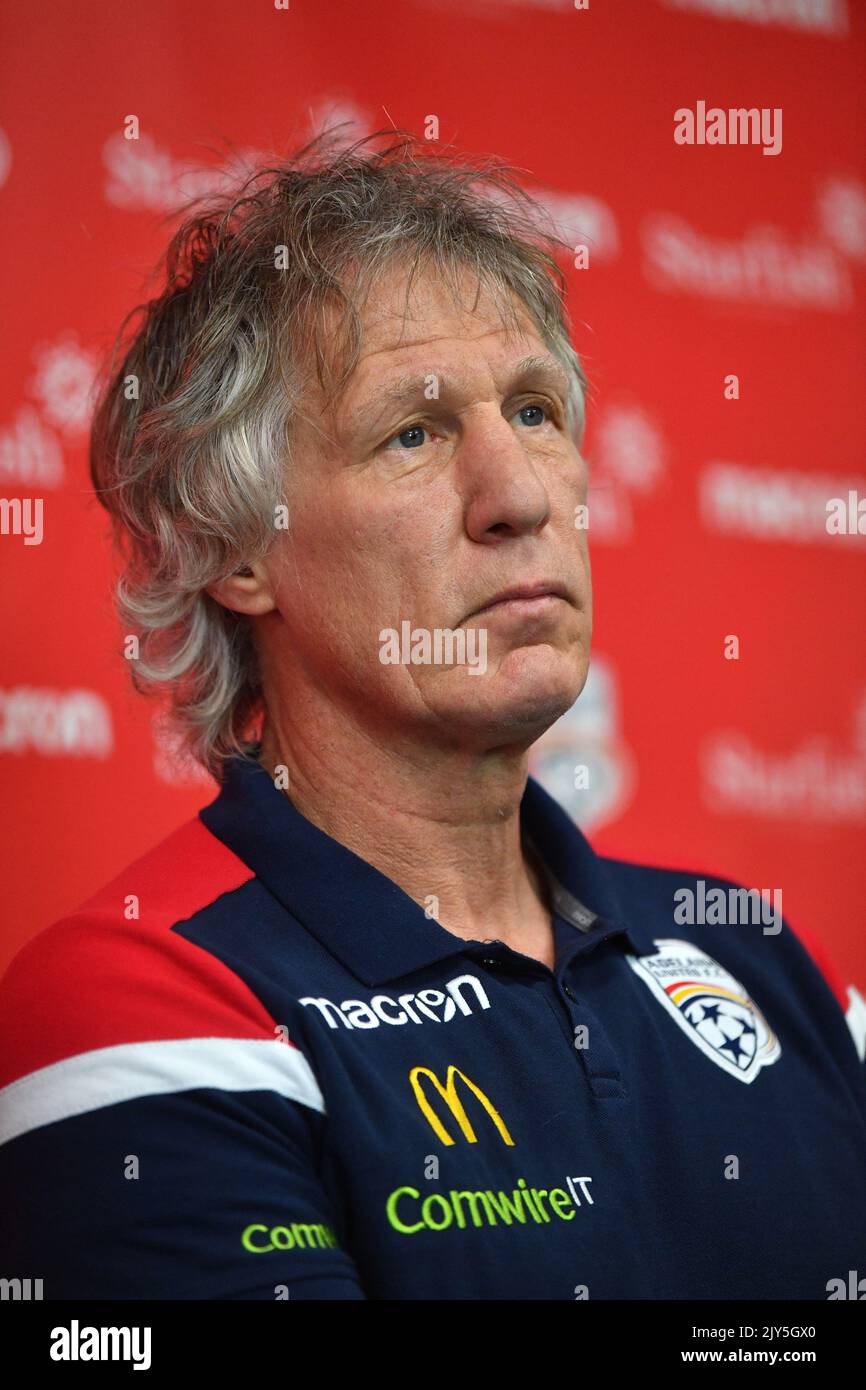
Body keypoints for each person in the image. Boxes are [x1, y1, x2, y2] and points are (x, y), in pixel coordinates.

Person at [1, 128, 864, 1301]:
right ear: (235, 547)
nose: (517, 494)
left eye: (535, 411)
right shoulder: (138, 1003)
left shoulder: (762, 962)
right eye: (412, 432)